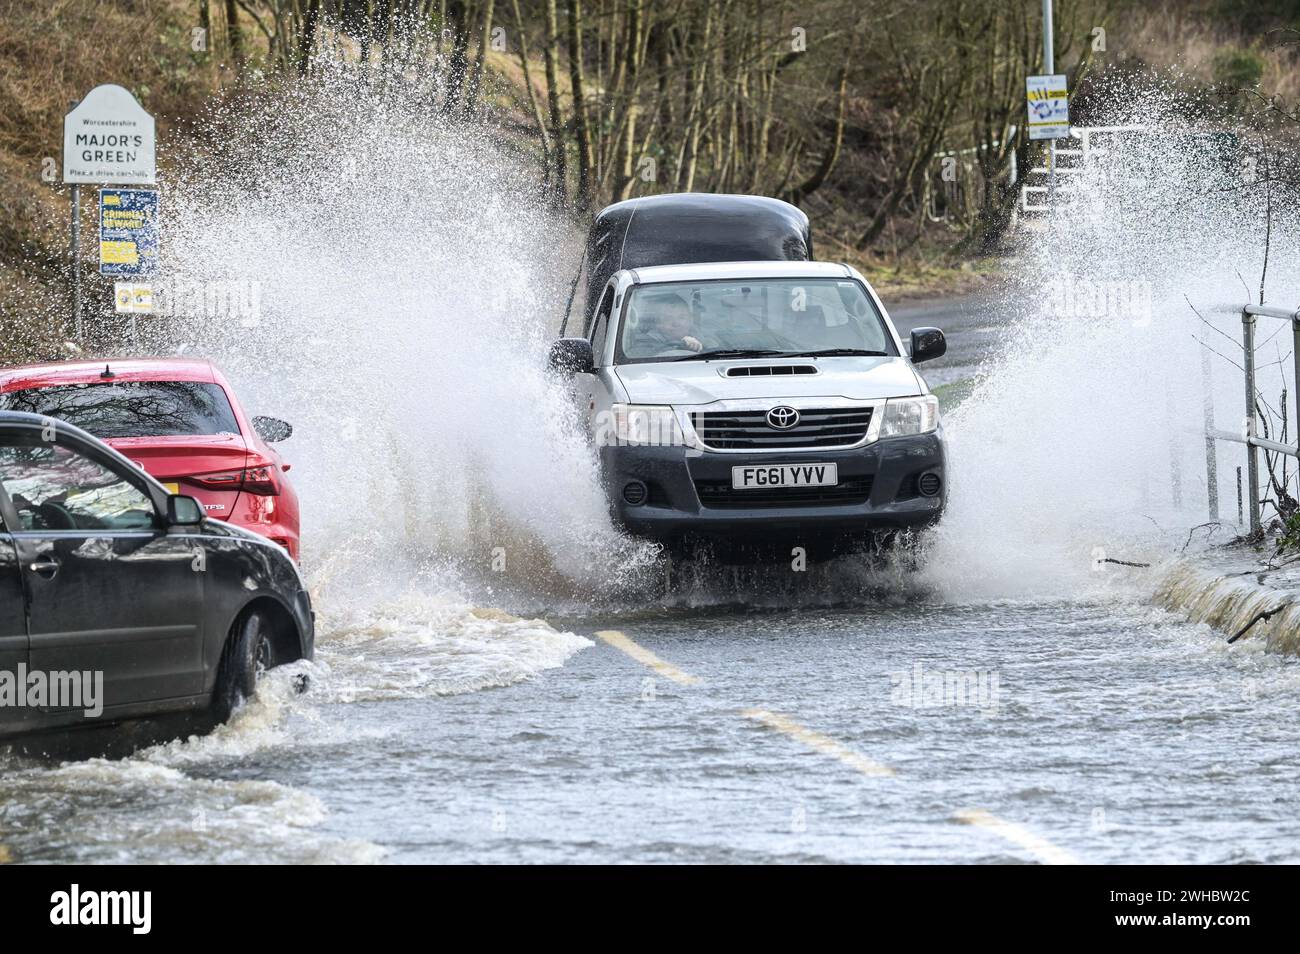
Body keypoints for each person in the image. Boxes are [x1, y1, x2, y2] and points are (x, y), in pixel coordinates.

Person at [631, 293, 703, 354]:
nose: (676, 323)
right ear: (657, 323)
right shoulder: (645, 342)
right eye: (668, 318)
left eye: (682, 317)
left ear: (690, 319)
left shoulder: (702, 338)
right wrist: (682, 345)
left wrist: (700, 346)